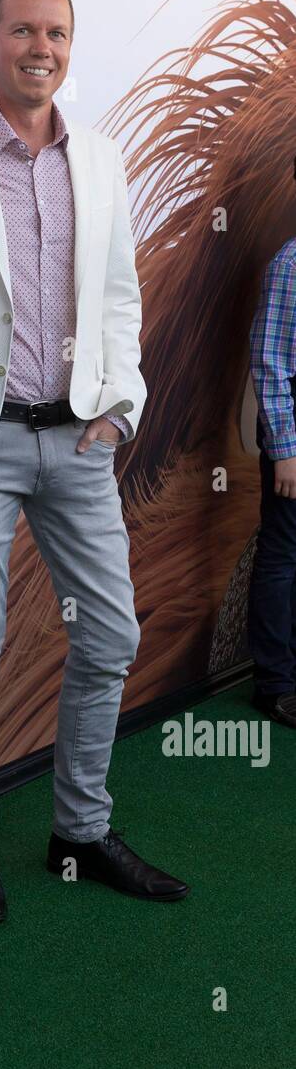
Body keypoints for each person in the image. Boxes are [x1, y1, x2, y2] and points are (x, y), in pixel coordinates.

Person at [0, 0, 189, 922]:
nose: (43, 47)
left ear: (70, 48)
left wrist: (119, 409)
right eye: (24, 31)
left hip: (79, 440)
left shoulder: (103, 159)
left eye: (58, 33)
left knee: (113, 634)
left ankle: (79, 826)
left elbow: (119, 296)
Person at [249, 235, 296, 726]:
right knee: (283, 553)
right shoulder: (290, 264)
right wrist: (286, 451)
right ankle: (276, 684)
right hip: (294, 439)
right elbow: (271, 362)